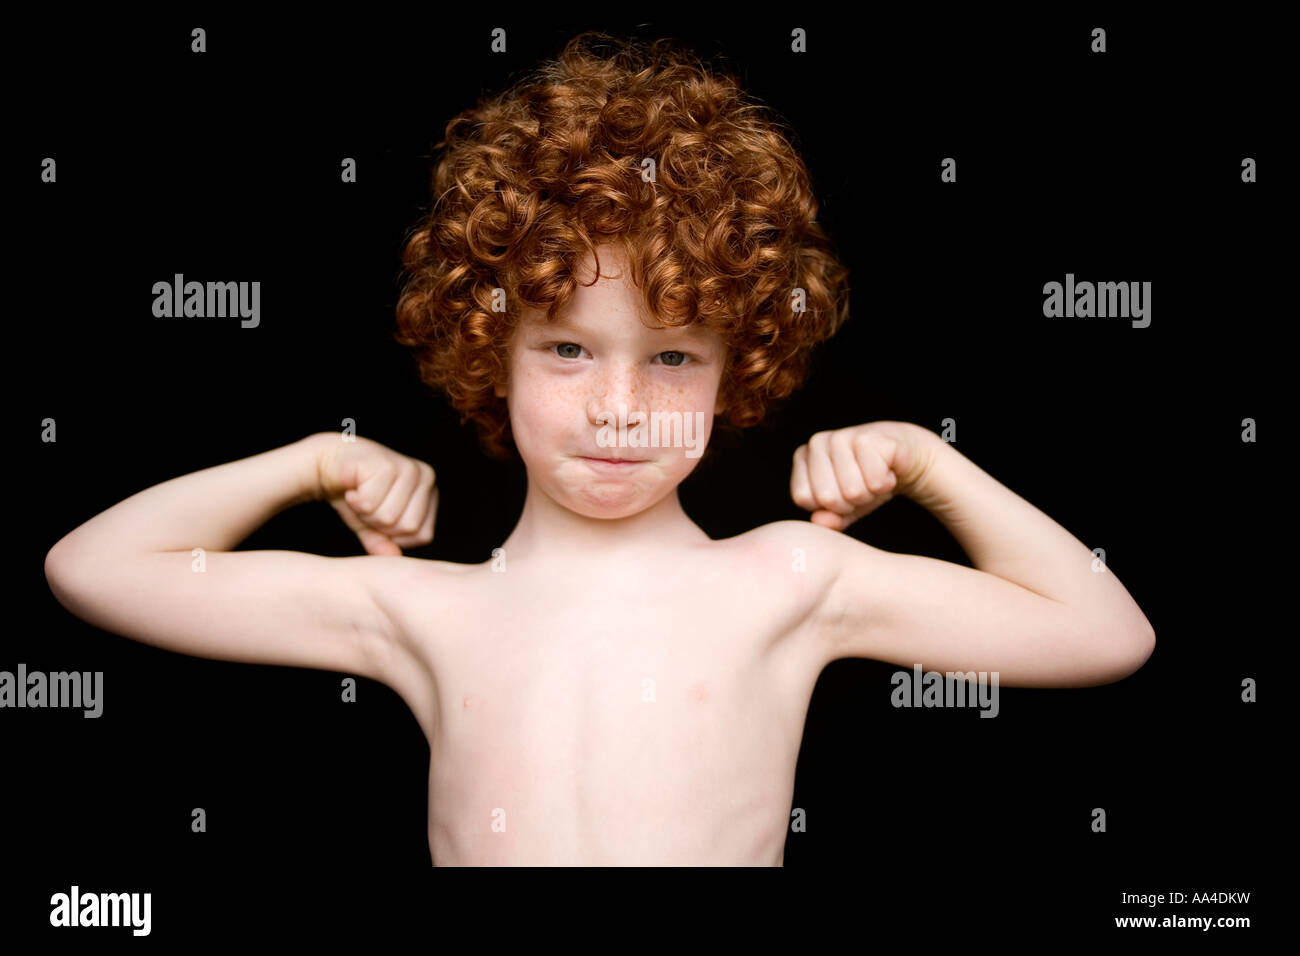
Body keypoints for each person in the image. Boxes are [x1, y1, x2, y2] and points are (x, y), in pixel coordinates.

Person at [43, 31, 1154, 866]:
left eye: (674, 359)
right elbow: (89, 568)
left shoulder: (793, 577)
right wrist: (309, 462)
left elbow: (1105, 632)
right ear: (490, 352)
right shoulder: (419, 607)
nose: (620, 405)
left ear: (738, 373)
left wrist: (928, 461)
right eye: (568, 347)